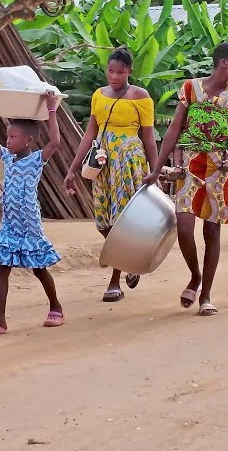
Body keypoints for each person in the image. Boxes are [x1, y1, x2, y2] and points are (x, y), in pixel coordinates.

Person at [144, 42, 228, 316]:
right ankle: (195, 274)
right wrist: (157, 169)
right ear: (223, 63)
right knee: (183, 228)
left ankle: (206, 295)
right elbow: (174, 131)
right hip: (189, 167)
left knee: (212, 232)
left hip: (218, 170)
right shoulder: (191, 89)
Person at [63, 47, 159, 302]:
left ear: (130, 72)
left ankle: (115, 281)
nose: (114, 76)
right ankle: (129, 260)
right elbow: (89, 133)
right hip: (103, 161)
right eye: (111, 71)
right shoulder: (98, 95)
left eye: (120, 72)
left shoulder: (141, 96)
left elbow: (148, 137)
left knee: (121, 220)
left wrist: (155, 171)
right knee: (103, 221)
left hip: (128, 161)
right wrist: (73, 168)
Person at [0, 90, 65, 336]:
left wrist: (51, 110)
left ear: (27, 141)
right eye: (7, 136)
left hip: (30, 226)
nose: (7, 141)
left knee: (39, 269)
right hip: (9, 226)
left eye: (12, 137)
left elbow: (55, 142)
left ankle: (56, 307)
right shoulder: (7, 157)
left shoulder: (36, 160)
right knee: (2, 268)